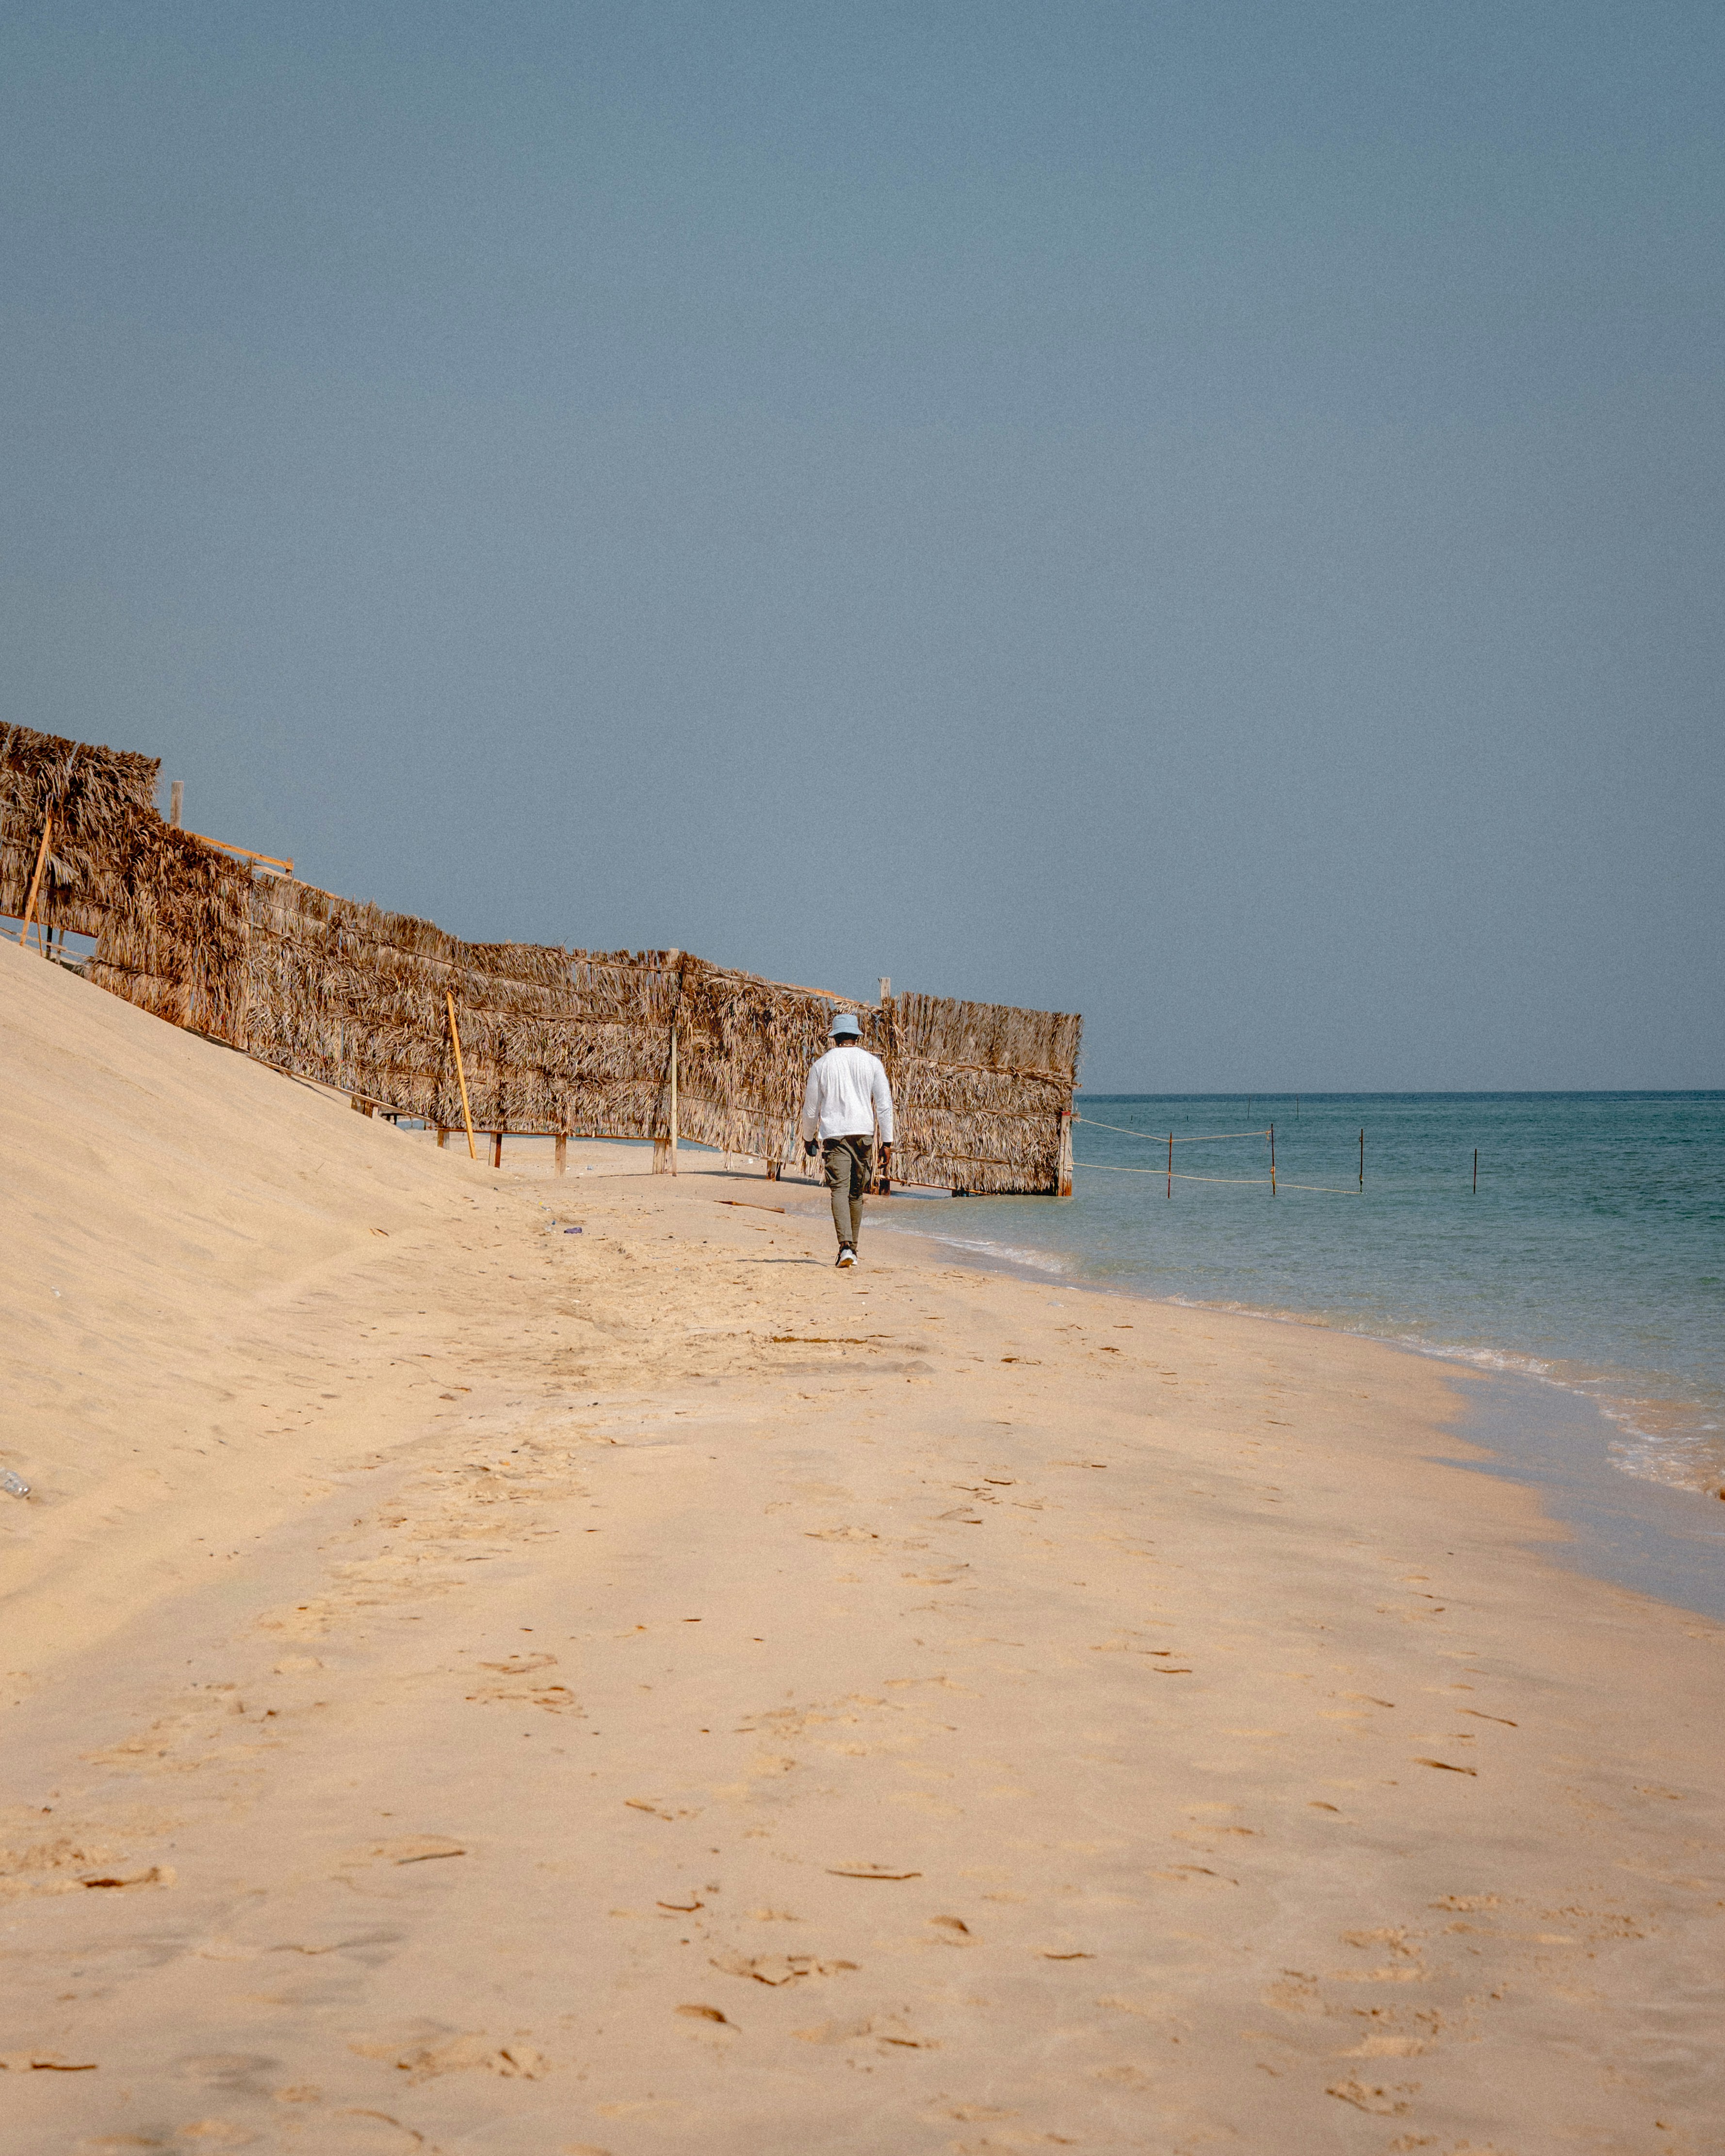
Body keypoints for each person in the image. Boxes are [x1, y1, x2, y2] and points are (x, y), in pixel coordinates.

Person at [800, 1012, 894, 1268]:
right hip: (863, 1134)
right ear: (856, 1036)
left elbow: (811, 1109)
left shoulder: (821, 1065)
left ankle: (845, 1248)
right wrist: (888, 1142)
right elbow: (885, 1105)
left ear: (834, 1038)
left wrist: (808, 1138)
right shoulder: (872, 1063)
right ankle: (853, 1248)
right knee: (855, 1193)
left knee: (839, 1191)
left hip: (834, 1135)